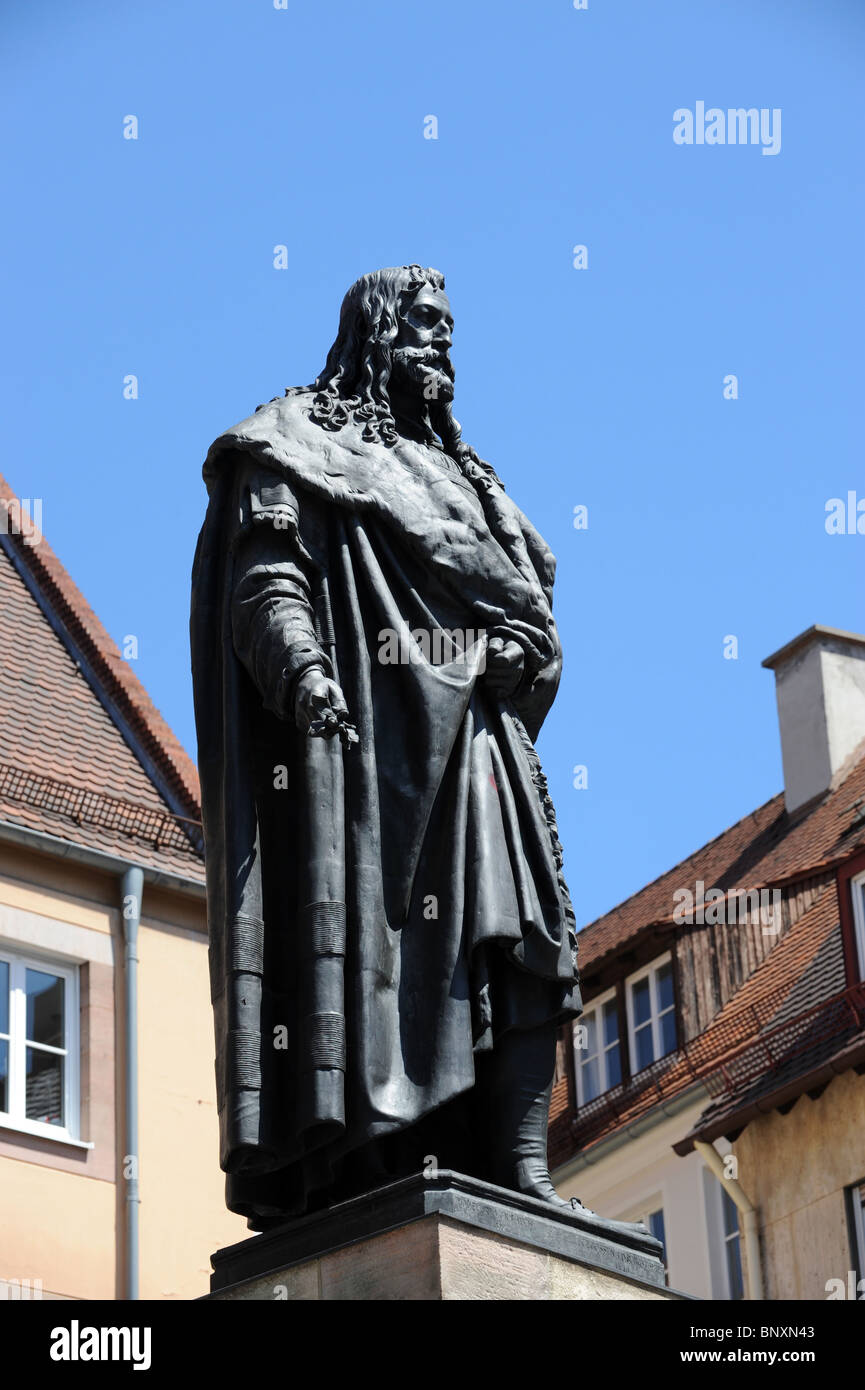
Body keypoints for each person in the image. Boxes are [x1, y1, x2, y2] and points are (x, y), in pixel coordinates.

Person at [191, 264, 582, 1229]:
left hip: (484, 748)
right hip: (368, 757)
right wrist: (305, 674)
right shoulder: (293, 443)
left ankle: (523, 1162)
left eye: (449, 328)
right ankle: (382, 1156)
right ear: (373, 332)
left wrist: (518, 660)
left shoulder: (472, 478)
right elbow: (266, 580)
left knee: (525, 933)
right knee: (393, 957)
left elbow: (528, 623)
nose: (440, 343)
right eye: (423, 326)